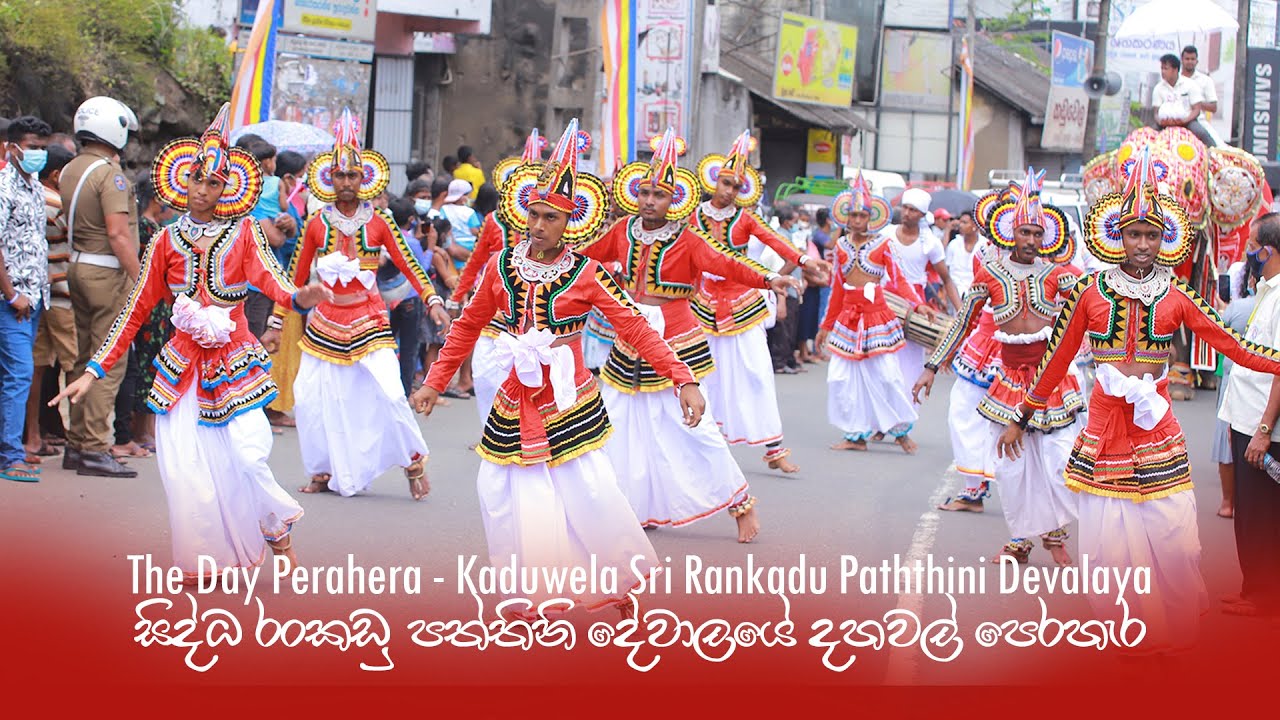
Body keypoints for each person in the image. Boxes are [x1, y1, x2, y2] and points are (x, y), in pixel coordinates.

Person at [410, 120, 701, 618]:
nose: (539, 225)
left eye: (550, 218)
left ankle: (612, 579)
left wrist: (684, 379)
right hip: (514, 395)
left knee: (585, 490)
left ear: (573, 224)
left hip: (566, 398)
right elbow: (467, 327)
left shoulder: (586, 274)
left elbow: (637, 329)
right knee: (502, 491)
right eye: (534, 215)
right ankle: (530, 594)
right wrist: (435, 382)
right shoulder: (502, 266)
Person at [998, 148, 1280, 653]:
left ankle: (1167, 629)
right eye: (1134, 234)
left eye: (1152, 234)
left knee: (1171, 530)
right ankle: (1127, 628)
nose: (1143, 243)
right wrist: (1021, 417)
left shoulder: (1177, 295)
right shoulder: (1090, 290)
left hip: (1157, 427)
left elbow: (1231, 344)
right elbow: (1056, 361)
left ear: (1165, 238)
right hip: (1106, 426)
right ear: (1117, 236)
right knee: (1109, 540)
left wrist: (1279, 364)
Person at [49, 104, 330, 578]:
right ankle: (204, 557)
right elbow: (134, 311)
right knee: (184, 468)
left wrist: (301, 297)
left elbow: (276, 283)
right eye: (197, 180)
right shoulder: (164, 241)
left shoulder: (244, 235)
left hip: (234, 363)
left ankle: (272, 522)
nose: (203, 190)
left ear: (227, 188)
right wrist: (94, 371)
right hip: (181, 369)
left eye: (214, 182)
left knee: (247, 454)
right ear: (182, 180)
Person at [575, 127, 793, 542]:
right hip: (629, 337)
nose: (650, 201)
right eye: (645, 193)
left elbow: (729, 263)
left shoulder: (689, 238)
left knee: (693, 424)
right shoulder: (621, 232)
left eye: (659, 195)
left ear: (674, 199)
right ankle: (631, 505)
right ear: (635, 194)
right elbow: (583, 259)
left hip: (677, 337)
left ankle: (740, 502)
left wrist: (769, 280)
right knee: (617, 421)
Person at [263, 108, 451, 501]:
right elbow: (294, 278)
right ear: (327, 178)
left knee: (389, 393)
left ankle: (413, 463)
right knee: (314, 399)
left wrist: (433, 300)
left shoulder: (380, 220)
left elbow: (410, 264)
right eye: (339, 175)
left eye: (352, 175)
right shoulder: (316, 223)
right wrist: (277, 324)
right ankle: (322, 470)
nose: (346, 183)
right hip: (325, 324)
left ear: (365, 178)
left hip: (368, 320)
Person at [917, 168, 1083, 565]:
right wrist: (931, 365)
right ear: (1011, 233)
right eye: (1025, 232)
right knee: (1013, 470)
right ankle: (1021, 539)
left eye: (1037, 234)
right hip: (1008, 382)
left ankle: (1056, 532)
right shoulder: (990, 274)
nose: (1030, 240)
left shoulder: (1058, 275)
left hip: (1052, 382)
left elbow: (1096, 301)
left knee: (1060, 462)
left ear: (1047, 238)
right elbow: (964, 321)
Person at [689, 131, 831, 473]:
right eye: (725, 183)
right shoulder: (692, 218)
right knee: (701, 377)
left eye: (736, 187)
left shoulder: (746, 219)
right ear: (714, 181)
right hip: (702, 307)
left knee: (757, 374)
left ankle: (774, 447)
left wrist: (805, 261)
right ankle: (702, 443)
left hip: (743, 304)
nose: (729, 191)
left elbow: (777, 243)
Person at [818, 172, 927, 455]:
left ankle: (901, 431)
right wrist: (825, 325)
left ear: (871, 217)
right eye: (853, 215)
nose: (857, 220)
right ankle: (855, 434)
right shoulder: (840, 247)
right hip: (848, 318)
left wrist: (917, 304)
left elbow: (899, 279)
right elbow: (837, 289)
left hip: (877, 315)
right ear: (846, 216)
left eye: (862, 215)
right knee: (841, 378)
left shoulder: (882, 244)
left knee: (887, 376)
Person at [61, 96, 140, 478]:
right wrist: (142, 278)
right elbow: (118, 233)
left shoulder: (71, 168)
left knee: (81, 358)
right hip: (107, 273)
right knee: (108, 359)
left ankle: (77, 444)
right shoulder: (110, 174)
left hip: (77, 268)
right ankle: (94, 446)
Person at [1217, 212, 1280, 618]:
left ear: (1268, 251)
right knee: (1250, 514)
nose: (1246, 254)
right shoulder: (1267, 292)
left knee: (1263, 516)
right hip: (1245, 421)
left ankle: (1264, 598)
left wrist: (1261, 431)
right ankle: (1252, 589)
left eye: (1251, 246)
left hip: (1263, 429)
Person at [0, 115, 52, 483]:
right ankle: (10, 455)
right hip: (11, 298)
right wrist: (11, 293)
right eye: (32, 147)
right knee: (19, 374)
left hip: (31, 298)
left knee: (15, 374)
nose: (38, 155)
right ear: (12, 147)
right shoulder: (3, 187)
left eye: (42, 149)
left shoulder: (33, 186)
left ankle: (10, 449)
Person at [23, 143, 75, 463]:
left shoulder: (30, 198)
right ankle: (84, 442)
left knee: (35, 368)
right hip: (62, 297)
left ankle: (33, 435)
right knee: (77, 364)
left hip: (35, 295)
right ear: (56, 175)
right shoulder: (56, 203)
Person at [888, 188, 962, 385]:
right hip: (886, 299)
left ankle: (907, 408)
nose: (906, 213)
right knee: (883, 356)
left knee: (909, 358)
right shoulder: (886, 234)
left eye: (912, 210)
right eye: (905, 208)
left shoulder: (930, 243)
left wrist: (962, 312)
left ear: (922, 214)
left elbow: (946, 279)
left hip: (915, 302)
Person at [264, 150, 309, 427]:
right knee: (274, 345)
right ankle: (270, 405)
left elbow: (296, 240)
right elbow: (281, 241)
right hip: (276, 281)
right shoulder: (270, 202)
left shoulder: (291, 205)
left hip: (288, 279)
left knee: (286, 346)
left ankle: (276, 404)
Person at [1210, 261, 1255, 520]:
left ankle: (1228, 503)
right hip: (1262, 386)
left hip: (1235, 381)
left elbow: (1217, 330)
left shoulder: (1239, 308)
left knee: (1226, 441)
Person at [381, 197, 427, 397]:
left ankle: (387, 389)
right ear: (411, 219)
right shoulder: (412, 242)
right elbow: (421, 269)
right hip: (410, 298)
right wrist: (431, 248)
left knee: (387, 345)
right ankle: (405, 391)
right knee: (409, 348)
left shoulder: (387, 237)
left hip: (389, 299)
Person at [1151, 53, 1216, 148]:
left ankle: (1214, 155)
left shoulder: (1190, 84)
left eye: (1166, 69)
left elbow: (1196, 109)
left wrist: (1184, 120)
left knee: (1201, 133)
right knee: (1149, 135)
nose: (1163, 72)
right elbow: (1156, 112)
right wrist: (1161, 122)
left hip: (1188, 122)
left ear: (1175, 70)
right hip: (1165, 123)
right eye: (1162, 68)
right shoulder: (1158, 88)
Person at [945, 211, 987, 296]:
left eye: (964, 222)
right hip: (955, 292)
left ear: (974, 226)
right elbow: (946, 269)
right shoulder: (954, 244)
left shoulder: (985, 245)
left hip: (978, 293)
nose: (960, 225)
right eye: (960, 222)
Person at [1180, 46, 1219, 136]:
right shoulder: (1175, 80)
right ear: (1182, 60)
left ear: (1197, 61)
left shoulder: (1205, 80)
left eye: (1192, 59)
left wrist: (1195, 103)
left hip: (1199, 121)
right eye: (1187, 59)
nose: (1190, 62)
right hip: (1176, 121)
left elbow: (1213, 107)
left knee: (1216, 146)